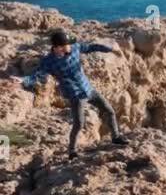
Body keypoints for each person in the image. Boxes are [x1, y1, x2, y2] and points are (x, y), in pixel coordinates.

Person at [9, 30, 129, 159]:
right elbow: (37, 76)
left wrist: (110, 49)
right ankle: (72, 152)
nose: (70, 46)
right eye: (67, 44)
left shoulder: (75, 48)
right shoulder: (49, 62)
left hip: (89, 89)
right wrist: (23, 80)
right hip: (75, 95)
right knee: (79, 124)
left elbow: (90, 47)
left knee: (109, 110)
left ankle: (116, 137)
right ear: (58, 47)